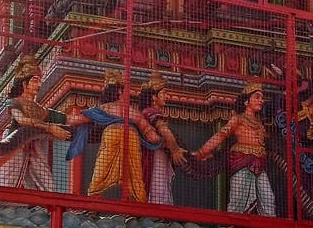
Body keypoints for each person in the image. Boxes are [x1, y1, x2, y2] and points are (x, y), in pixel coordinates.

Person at [66, 70, 161, 203]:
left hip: (112, 134)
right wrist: (164, 140)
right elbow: (153, 137)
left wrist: (51, 117)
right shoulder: (133, 112)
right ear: (120, 91)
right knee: (135, 176)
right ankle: (140, 204)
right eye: (125, 90)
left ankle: (92, 202)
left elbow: (74, 120)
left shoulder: (105, 108)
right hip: (132, 138)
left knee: (101, 172)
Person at [192, 81, 276, 216]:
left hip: (260, 165)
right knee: (238, 201)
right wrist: (202, 152)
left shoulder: (260, 124)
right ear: (246, 101)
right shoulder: (237, 119)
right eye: (257, 97)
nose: (261, 100)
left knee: (268, 199)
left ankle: (268, 226)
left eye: (262, 98)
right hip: (242, 163)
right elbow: (220, 135)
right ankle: (232, 226)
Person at [0, 55, 71, 192]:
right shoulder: (14, 102)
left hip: (35, 144)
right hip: (15, 142)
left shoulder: (40, 110)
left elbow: (69, 119)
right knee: (9, 185)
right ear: (24, 84)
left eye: (40, 81)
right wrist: (49, 127)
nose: (39, 85)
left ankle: (49, 201)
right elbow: (21, 120)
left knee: (47, 185)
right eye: (35, 81)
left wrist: (93, 115)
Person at [138, 73, 187, 205]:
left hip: (157, 155)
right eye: (164, 93)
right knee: (158, 186)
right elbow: (164, 131)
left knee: (161, 185)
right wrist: (175, 150)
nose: (167, 96)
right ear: (154, 97)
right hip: (155, 156)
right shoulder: (151, 112)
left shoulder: (149, 112)